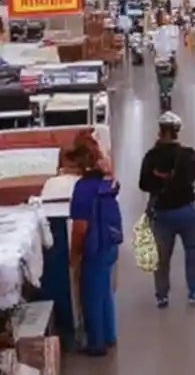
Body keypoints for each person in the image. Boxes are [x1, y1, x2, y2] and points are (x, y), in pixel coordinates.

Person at [138, 111, 195, 307]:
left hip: (162, 213)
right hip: (187, 211)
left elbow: (143, 184)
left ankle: (162, 295)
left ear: (160, 131)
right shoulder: (188, 154)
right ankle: (194, 291)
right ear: (177, 132)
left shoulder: (151, 157)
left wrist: (159, 180)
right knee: (191, 250)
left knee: (162, 255)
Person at [66, 136, 123, 356]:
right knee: (105, 292)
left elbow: (80, 227)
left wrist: (74, 254)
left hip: (94, 246)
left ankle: (96, 344)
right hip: (110, 242)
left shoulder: (82, 189)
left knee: (90, 296)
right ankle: (109, 335)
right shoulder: (108, 182)